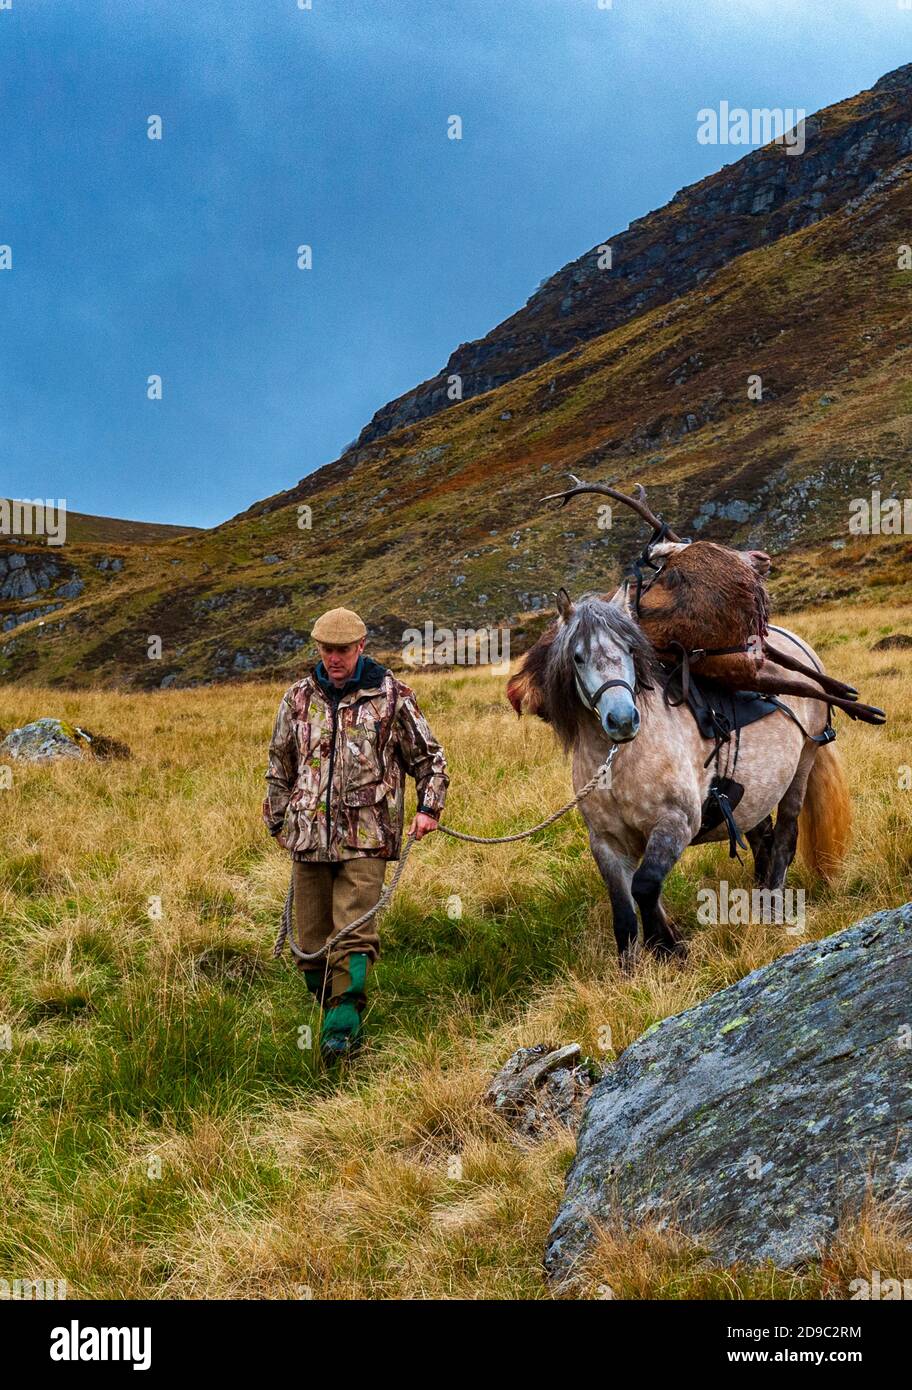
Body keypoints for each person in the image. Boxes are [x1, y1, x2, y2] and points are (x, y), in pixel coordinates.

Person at [263, 606, 448, 1061]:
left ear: (361, 647)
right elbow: (279, 764)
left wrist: (429, 807)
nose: (334, 658)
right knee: (309, 946)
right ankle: (332, 1008)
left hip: (366, 837)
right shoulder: (297, 700)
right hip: (307, 838)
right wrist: (278, 818)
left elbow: (430, 760)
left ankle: (343, 1029)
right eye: (326, 650)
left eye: (343, 650)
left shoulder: (393, 697)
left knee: (353, 934)